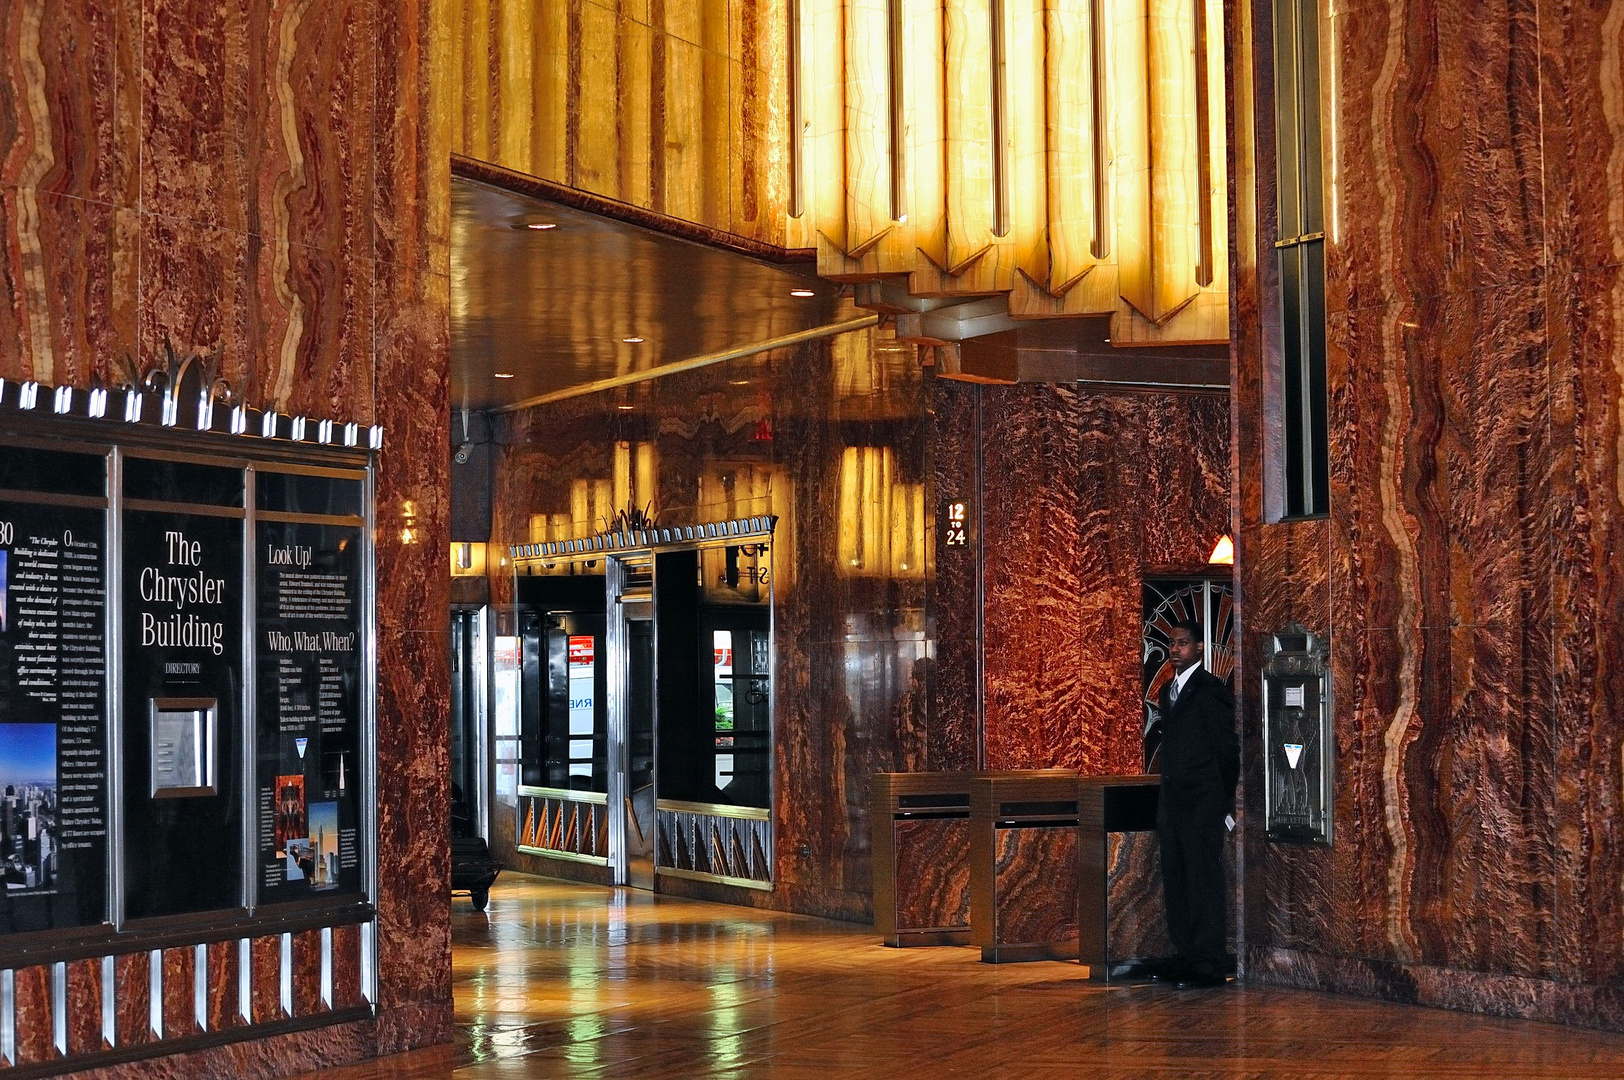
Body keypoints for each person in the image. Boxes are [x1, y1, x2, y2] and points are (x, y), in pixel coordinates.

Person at [1154, 619, 1238, 989]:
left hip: (1202, 801)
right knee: (1176, 878)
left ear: (1199, 648)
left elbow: (1225, 751)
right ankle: (1186, 955)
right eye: (1171, 644)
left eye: (1183, 644)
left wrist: (1224, 801)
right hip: (1172, 801)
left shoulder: (1209, 691)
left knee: (1203, 879)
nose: (1175, 650)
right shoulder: (1166, 691)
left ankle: (1208, 962)